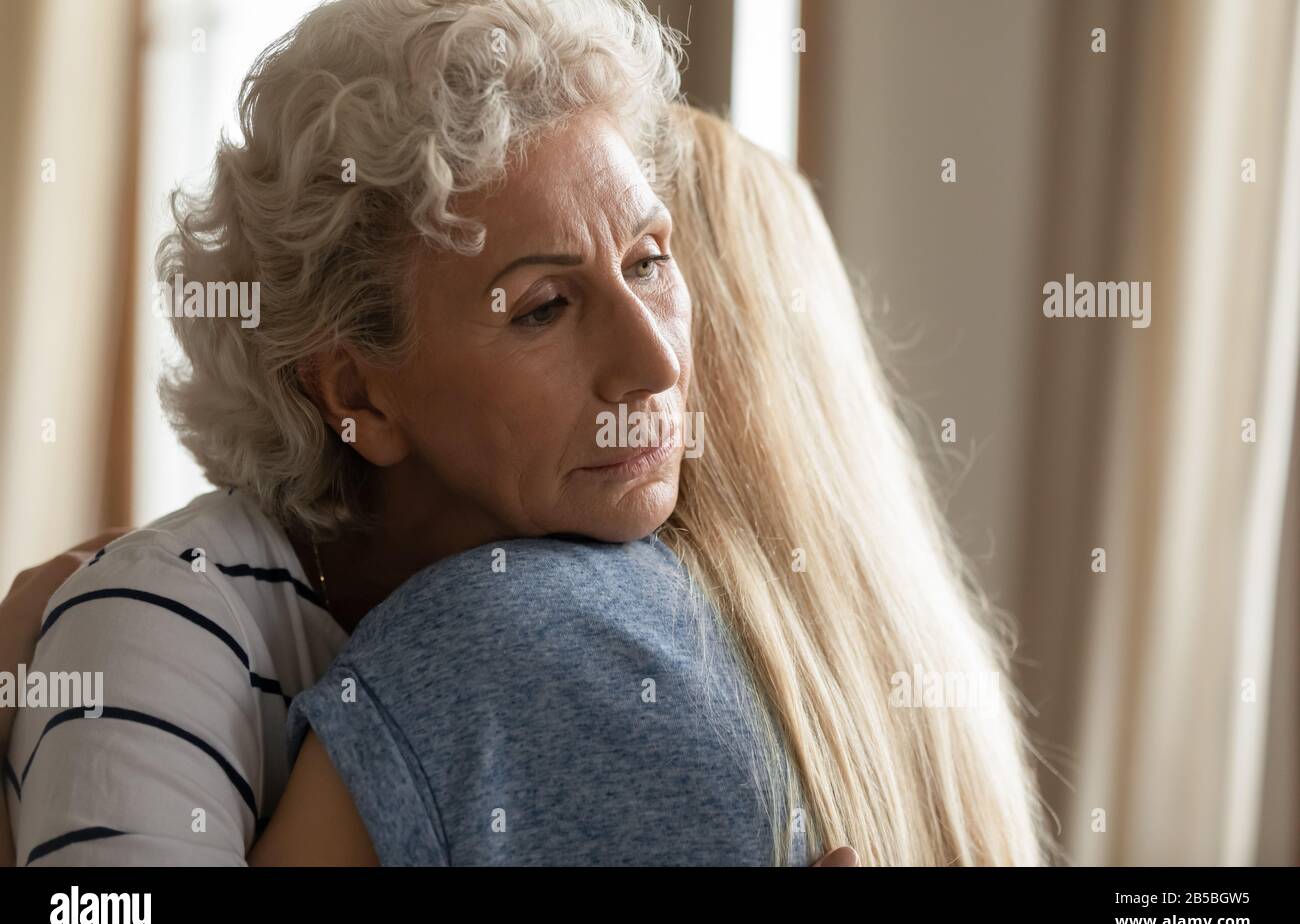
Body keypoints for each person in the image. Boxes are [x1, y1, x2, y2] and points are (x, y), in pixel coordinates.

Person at [4, 0, 1044, 867]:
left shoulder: (608, 608)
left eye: (648, 260)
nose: (658, 364)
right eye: (542, 307)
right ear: (356, 395)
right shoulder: (164, 616)